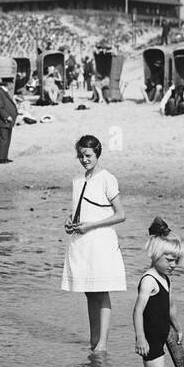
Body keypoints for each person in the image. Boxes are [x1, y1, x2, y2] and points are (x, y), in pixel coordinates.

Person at [61, 134, 127, 355]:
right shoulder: (78, 181)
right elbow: (79, 209)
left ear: (97, 153)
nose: (84, 159)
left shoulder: (108, 178)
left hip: (101, 242)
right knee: (89, 292)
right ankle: (93, 340)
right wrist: (70, 221)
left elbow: (120, 215)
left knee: (101, 290)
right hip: (81, 243)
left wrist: (91, 226)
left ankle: (102, 344)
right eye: (80, 155)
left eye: (88, 155)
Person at [133, 218, 184, 367]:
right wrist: (140, 337)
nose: (173, 265)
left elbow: (170, 308)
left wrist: (178, 327)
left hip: (160, 336)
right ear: (156, 255)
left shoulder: (165, 278)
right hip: (150, 339)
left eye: (176, 261)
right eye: (170, 260)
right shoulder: (149, 280)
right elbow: (137, 310)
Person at [0, 78, 17, 163]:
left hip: (7, 121)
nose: (13, 85)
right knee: (4, 139)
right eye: (12, 83)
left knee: (7, 139)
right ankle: (0, 158)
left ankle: (4, 157)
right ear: (8, 84)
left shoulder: (4, 92)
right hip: (2, 120)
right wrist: (6, 116)